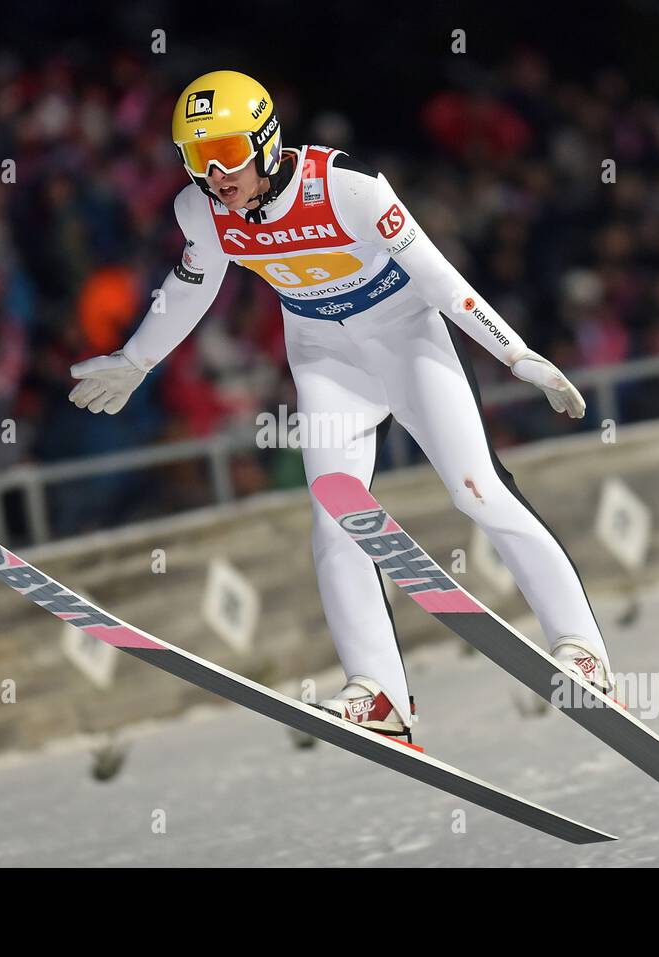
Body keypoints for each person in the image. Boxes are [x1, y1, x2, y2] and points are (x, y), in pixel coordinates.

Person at [68, 70, 614, 741]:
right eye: (196, 158)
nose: (216, 174)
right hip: (325, 355)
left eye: (228, 153)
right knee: (335, 516)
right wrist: (136, 360)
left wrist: (515, 354)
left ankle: (583, 649)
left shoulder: (347, 187)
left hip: (407, 337)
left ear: (266, 141)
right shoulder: (203, 212)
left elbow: (439, 277)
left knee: (479, 491)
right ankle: (379, 690)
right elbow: (188, 290)